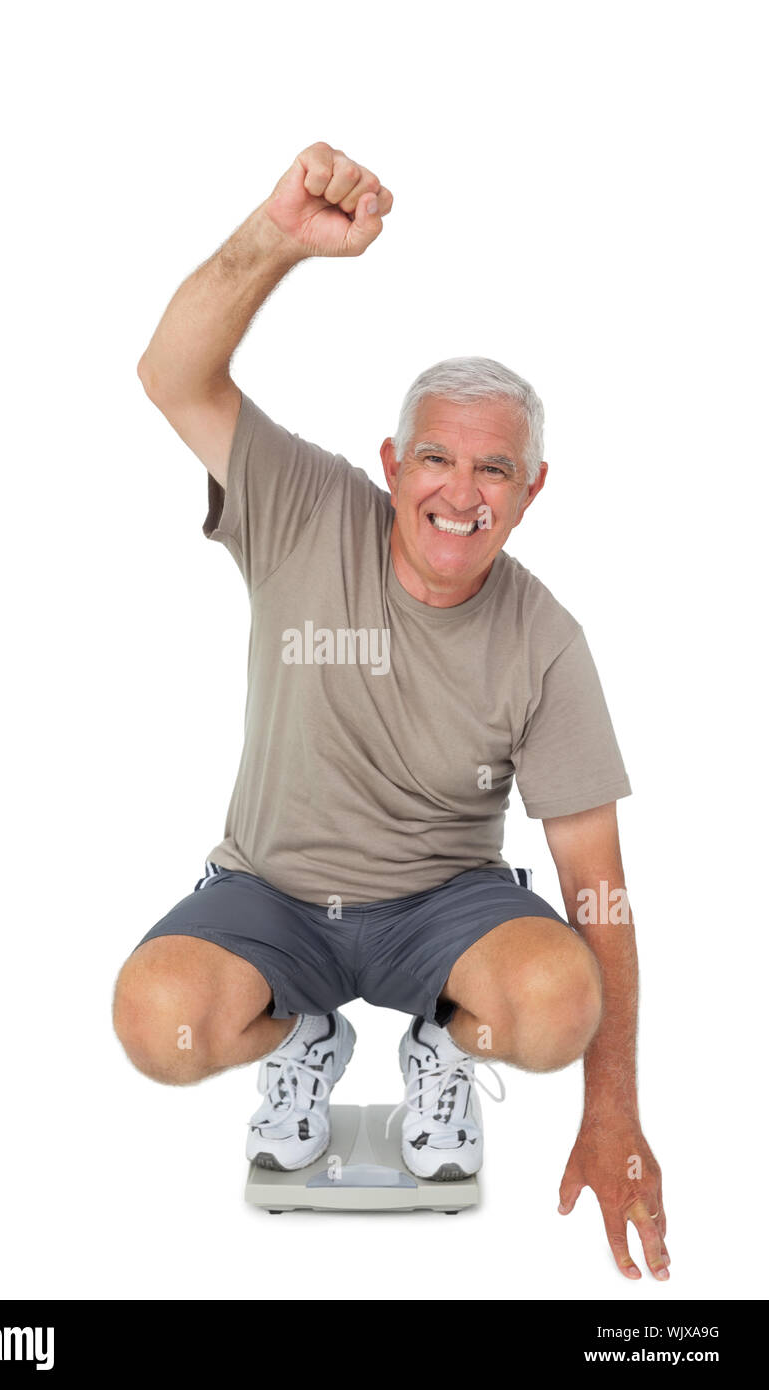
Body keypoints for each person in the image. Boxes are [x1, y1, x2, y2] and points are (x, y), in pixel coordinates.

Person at [113, 141, 668, 1281]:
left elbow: (596, 883)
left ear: (530, 491)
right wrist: (278, 240)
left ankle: (438, 1039)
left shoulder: (546, 640)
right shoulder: (306, 506)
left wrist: (609, 1109)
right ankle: (302, 1031)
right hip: (271, 892)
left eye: (494, 472)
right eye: (435, 458)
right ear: (389, 461)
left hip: (443, 911)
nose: (458, 494)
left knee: (562, 1001)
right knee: (156, 1023)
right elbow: (170, 373)